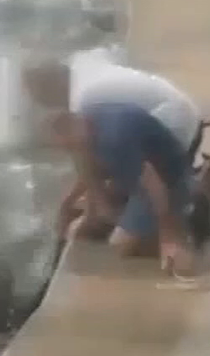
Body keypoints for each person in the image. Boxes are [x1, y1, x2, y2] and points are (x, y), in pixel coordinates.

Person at [48, 102, 198, 274]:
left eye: (72, 146)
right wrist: (70, 204)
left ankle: (181, 219)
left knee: (118, 247)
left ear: (77, 128)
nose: (73, 151)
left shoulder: (114, 140)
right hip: (133, 169)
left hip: (168, 176)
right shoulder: (88, 121)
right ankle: (137, 221)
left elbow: (153, 183)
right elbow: (88, 166)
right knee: (85, 224)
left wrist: (167, 236)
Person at [23, 54, 203, 154]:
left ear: (54, 84)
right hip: (186, 108)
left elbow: (89, 155)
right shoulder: (84, 62)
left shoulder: (83, 100)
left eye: (43, 97)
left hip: (176, 131)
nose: (47, 105)